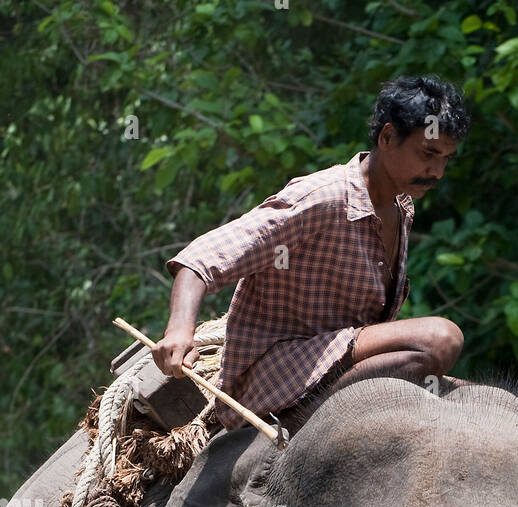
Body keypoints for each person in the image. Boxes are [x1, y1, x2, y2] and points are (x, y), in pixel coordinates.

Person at [152, 74, 470, 431]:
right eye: (428, 155)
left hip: (339, 361)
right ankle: (308, 424)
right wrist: (180, 329)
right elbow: (202, 258)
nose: (437, 172)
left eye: (446, 159)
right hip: (275, 374)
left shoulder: (401, 208)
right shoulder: (323, 196)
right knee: (441, 340)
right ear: (387, 137)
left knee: (475, 400)